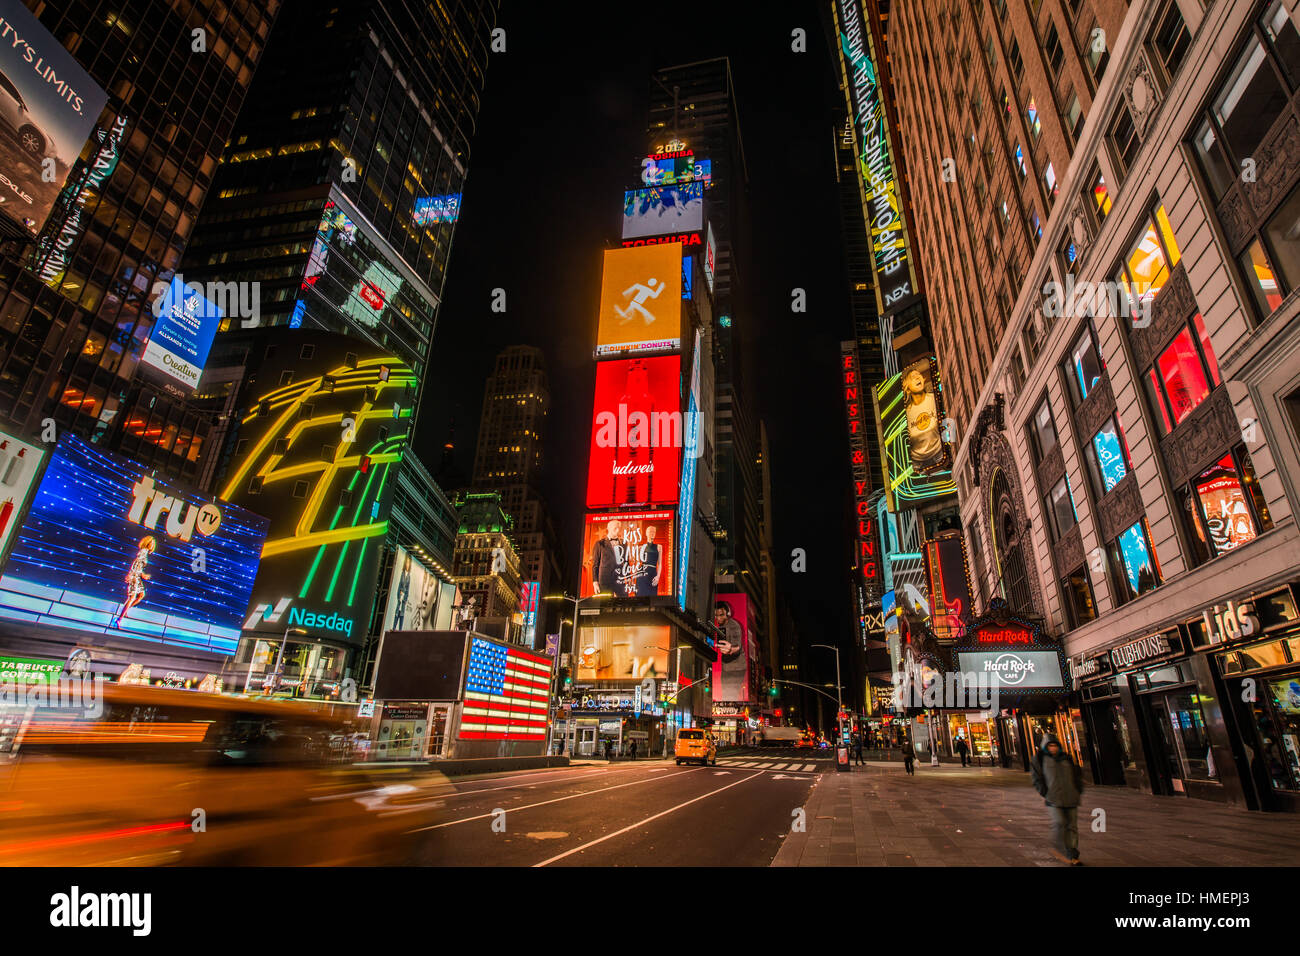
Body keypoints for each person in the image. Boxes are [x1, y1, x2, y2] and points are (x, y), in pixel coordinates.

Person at [1030, 734, 1085, 865]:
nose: (1053, 748)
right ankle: (1059, 846)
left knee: (1072, 826)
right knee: (1060, 822)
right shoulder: (1040, 759)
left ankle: (1072, 854)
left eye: (1055, 745)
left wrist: (1078, 789)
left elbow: (1076, 775)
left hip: (1071, 796)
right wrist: (1044, 792)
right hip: (1053, 798)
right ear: (1045, 747)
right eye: (1050, 745)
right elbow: (1036, 778)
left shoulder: (1067, 758)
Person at [590, 519, 623, 597]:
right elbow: (595, 565)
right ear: (609, 528)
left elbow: (626, 562)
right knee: (605, 605)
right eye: (615, 528)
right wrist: (595, 582)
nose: (617, 530)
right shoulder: (599, 544)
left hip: (620, 580)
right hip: (605, 581)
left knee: (622, 604)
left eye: (619, 528)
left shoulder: (623, 543)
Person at [635, 525, 661, 597]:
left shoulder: (659, 547)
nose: (652, 533)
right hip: (642, 574)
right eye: (650, 532)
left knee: (652, 597)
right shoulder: (641, 547)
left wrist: (658, 576)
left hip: (652, 573)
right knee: (640, 595)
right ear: (646, 533)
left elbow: (660, 563)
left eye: (654, 532)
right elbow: (637, 562)